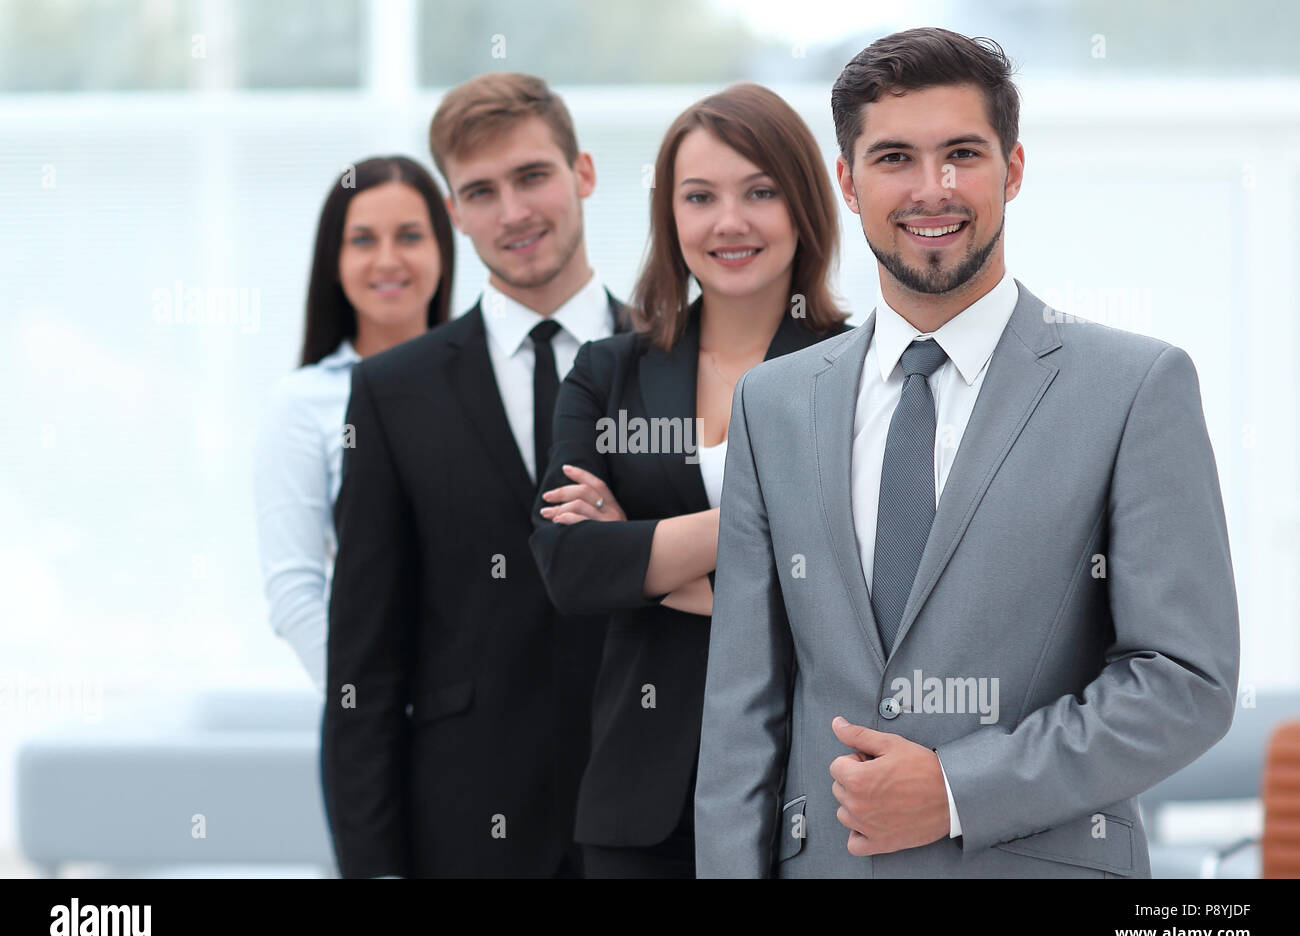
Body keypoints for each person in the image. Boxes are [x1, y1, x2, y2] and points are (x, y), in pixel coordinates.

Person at [694, 27, 1240, 877]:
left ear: (1012, 169)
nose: (931, 189)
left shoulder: (1136, 388)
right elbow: (742, 711)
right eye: (894, 159)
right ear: (847, 182)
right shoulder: (773, 403)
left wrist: (956, 789)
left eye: (961, 153)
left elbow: (1185, 685)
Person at [529, 83, 850, 878]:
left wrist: (642, 559)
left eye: (761, 192)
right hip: (642, 804)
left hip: (811, 792)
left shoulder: (862, 370)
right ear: (670, 217)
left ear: (804, 206)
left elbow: (862, 579)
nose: (729, 222)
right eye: (699, 196)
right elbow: (571, 568)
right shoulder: (608, 372)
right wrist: (767, 535)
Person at [321, 73, 631, 878]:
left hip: (658, 817)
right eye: (481, 192)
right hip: (465, 827)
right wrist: (371, 864)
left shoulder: (679, 360)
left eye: (532, 176)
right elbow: (365, 657)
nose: (514, 212)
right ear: (454, 214)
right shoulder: (392, 394)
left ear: (583, 173)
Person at [254, 156, 454, 693]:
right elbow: (295, 591)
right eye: (363, 240)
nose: (387, 260)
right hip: (378, 709)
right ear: (334, 260)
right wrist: (364, 706)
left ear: (443, 249)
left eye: (410, 236)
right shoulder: (302, 402)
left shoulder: (492, 376)